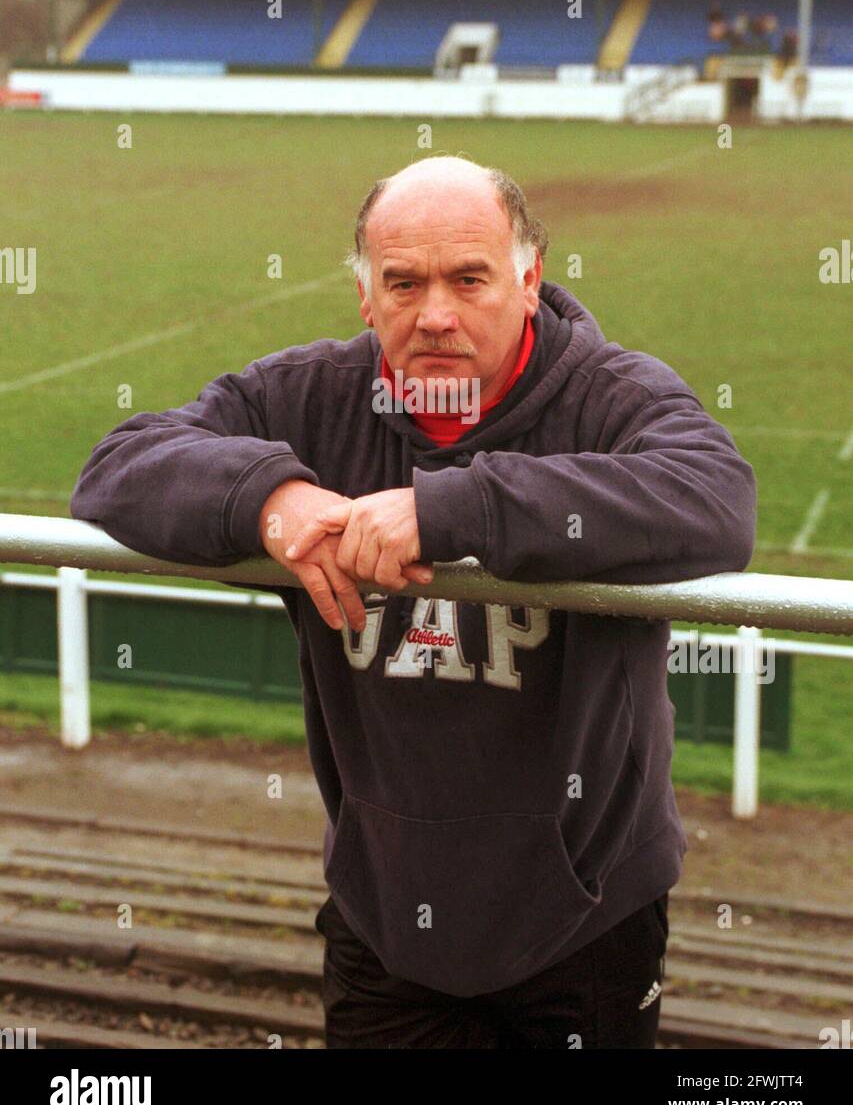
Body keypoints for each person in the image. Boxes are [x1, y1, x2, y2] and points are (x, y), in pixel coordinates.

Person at [69, 155, 757, 1049]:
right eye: (402, 282)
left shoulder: (610, 397)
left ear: (528, 278)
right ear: (364, 296)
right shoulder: (306, 397)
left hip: (584, 916)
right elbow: (117, 466)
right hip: (384, 909)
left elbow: (715, 499)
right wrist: (271, 498)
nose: (434, 314)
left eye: (468, 279)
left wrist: (450, 509)